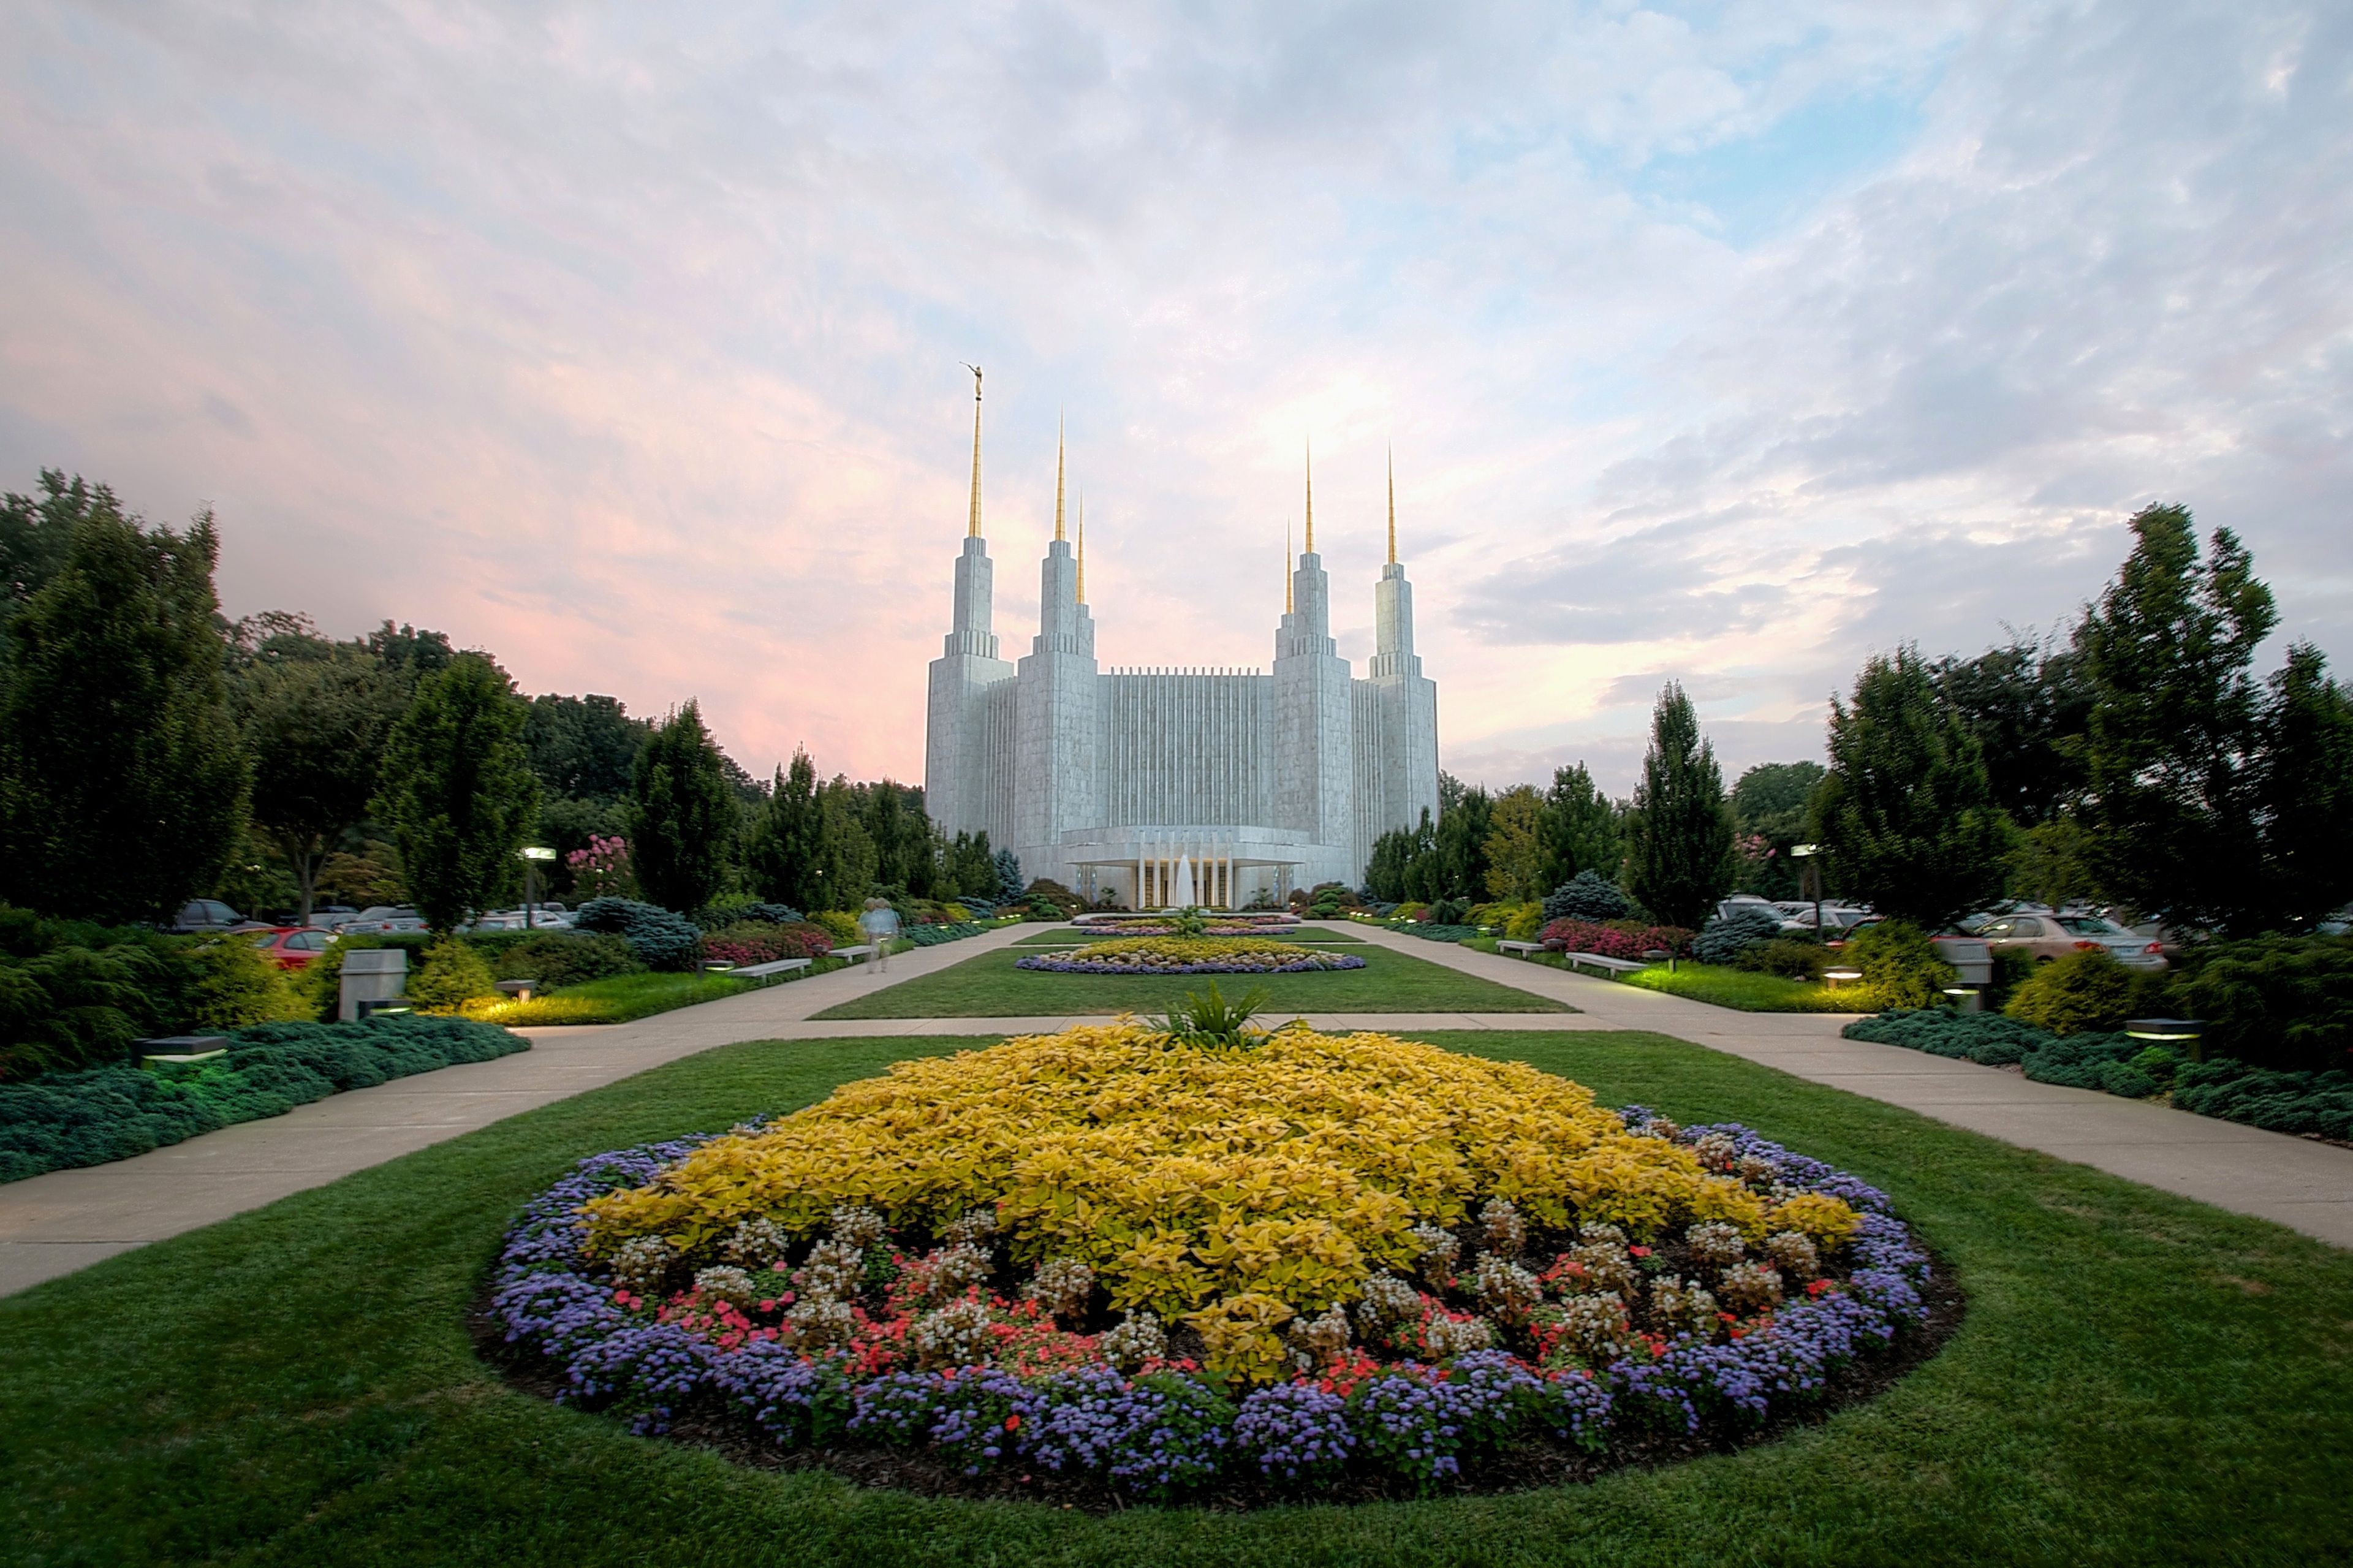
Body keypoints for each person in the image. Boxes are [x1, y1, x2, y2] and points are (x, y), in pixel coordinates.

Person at [858, 897, 901, 974]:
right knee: (875, 951)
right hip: (876, 934)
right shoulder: (871, 914)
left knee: (886, 951)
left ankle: (884, 968)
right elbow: (867, 924)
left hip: (888, 934)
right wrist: (867, 933)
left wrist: (895, 932)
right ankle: (871, 969)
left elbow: (893, 923)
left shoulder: (889, 913)